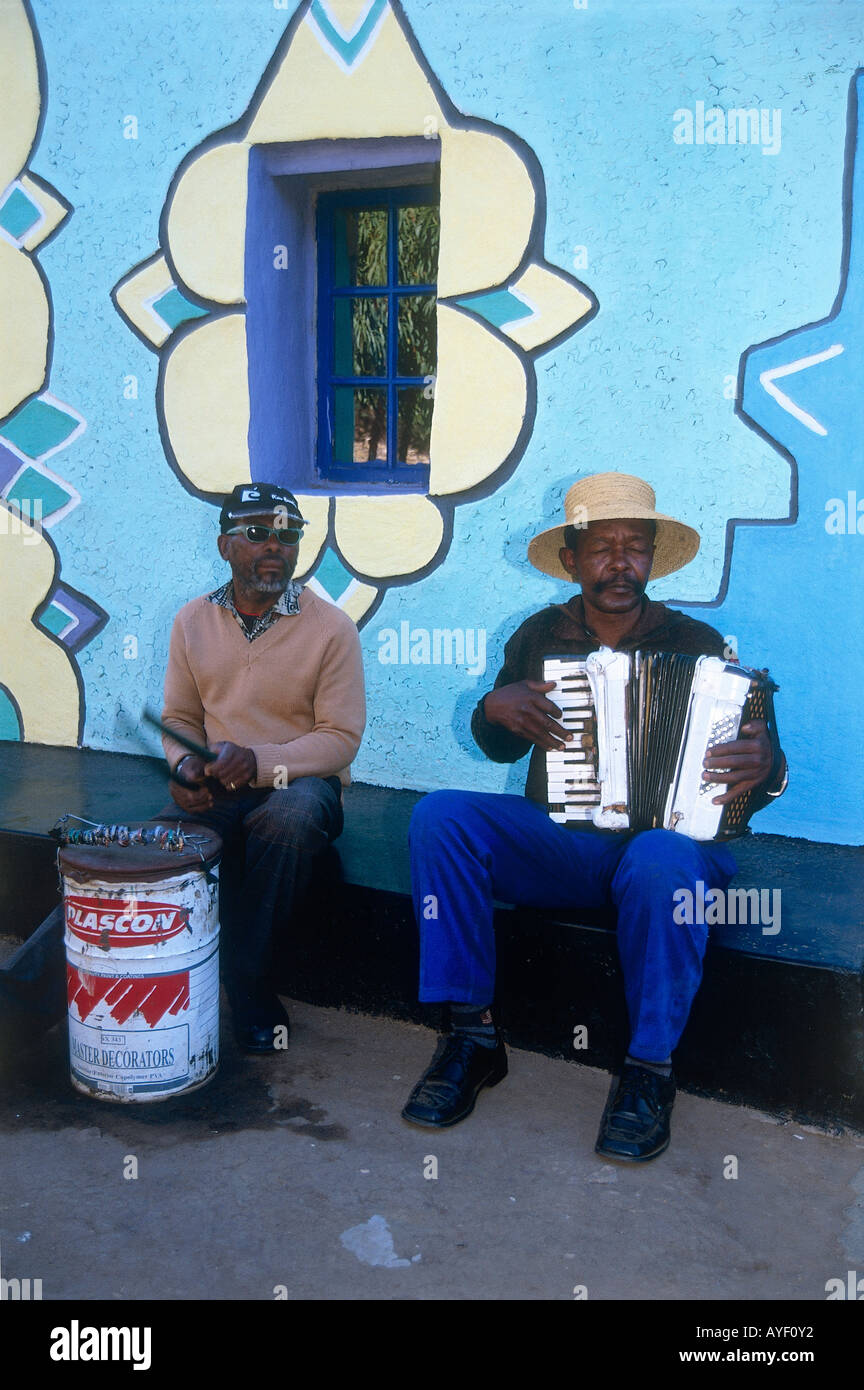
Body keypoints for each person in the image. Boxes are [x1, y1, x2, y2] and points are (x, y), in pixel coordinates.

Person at [401, 472, 787, 1160]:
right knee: (441, 817)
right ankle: (473, 1036)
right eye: (602, 546)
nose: (618, 561)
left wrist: (769, 764)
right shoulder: (540, 634)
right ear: (572, 560)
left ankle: (648, 1073)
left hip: (664, 854)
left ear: (650, 559)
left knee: (661, 855)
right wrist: (491, 709)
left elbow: (753, 783)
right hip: (564, 845)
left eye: (633, 546)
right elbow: (495, 746)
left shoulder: (697, 642)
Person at [159, 483, 366, 1051]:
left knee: (289, 820)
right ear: (226, 545)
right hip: (222, 785)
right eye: (258, 534)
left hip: (297, 782)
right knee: (154, 846)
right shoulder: (191, 621)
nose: (275, 547)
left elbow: (341, 739)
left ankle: (246, 981)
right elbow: (179, 718)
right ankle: (48, 987)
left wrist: (259, 762)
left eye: (288, 535)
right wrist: (183, 772)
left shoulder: (330, 628)